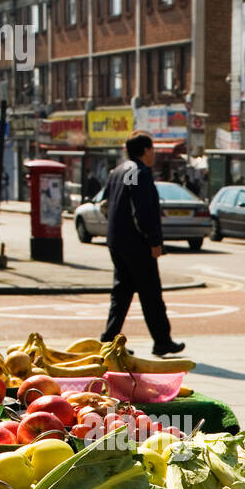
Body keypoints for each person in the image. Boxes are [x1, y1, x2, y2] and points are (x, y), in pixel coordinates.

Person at [99, 133, 185, 358]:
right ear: (145, 150)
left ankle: (108, 340)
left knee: (122, 293)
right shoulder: (139, 173)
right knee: (151, 294)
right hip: (137, 244)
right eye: (153, 150)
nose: (154, 154)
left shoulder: (119, 171)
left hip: (117, 242)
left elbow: (105, 204)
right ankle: (162, 342)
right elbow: (143, 211)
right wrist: (154, 241)